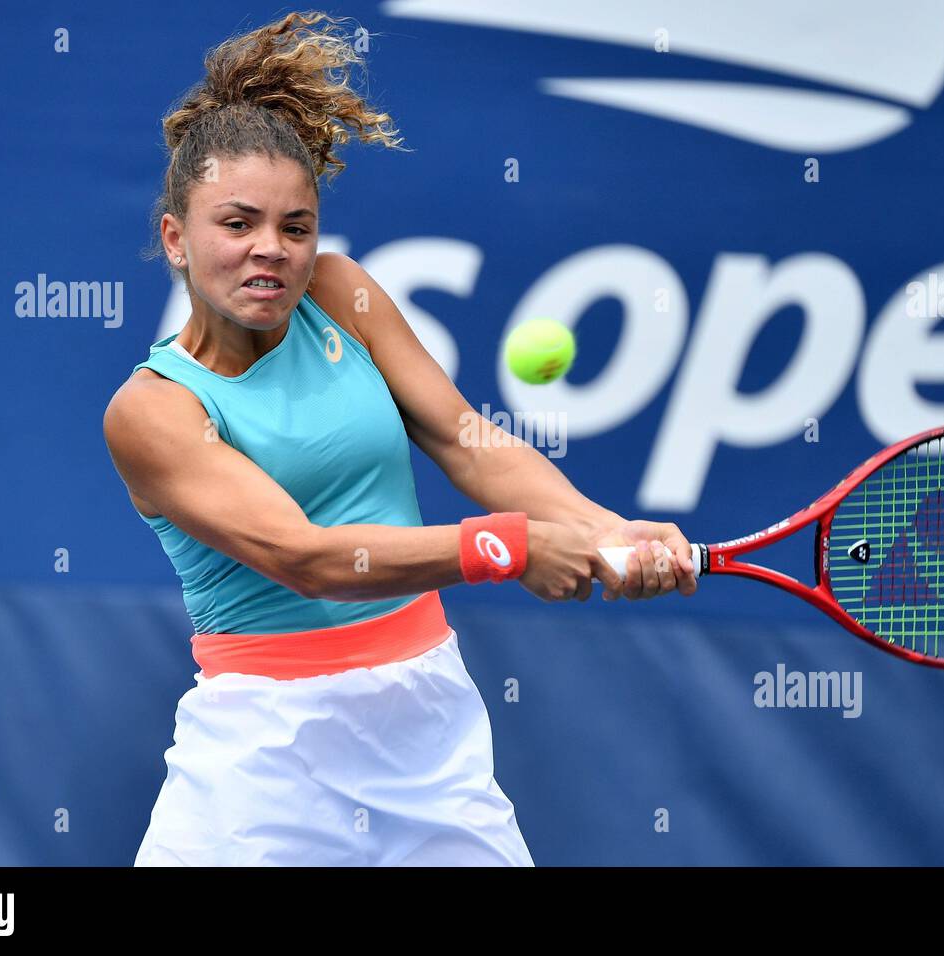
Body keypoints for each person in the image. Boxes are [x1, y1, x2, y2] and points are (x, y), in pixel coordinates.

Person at [103, 10, 698, 867]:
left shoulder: (342, 294)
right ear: (176, 238)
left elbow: (463, 440)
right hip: (261, 757)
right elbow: (304, 555)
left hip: (426, 724)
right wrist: (509, 546)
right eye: (237, 224)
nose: (270, 250)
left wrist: (604, 528)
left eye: (295, 227)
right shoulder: (152, 410)